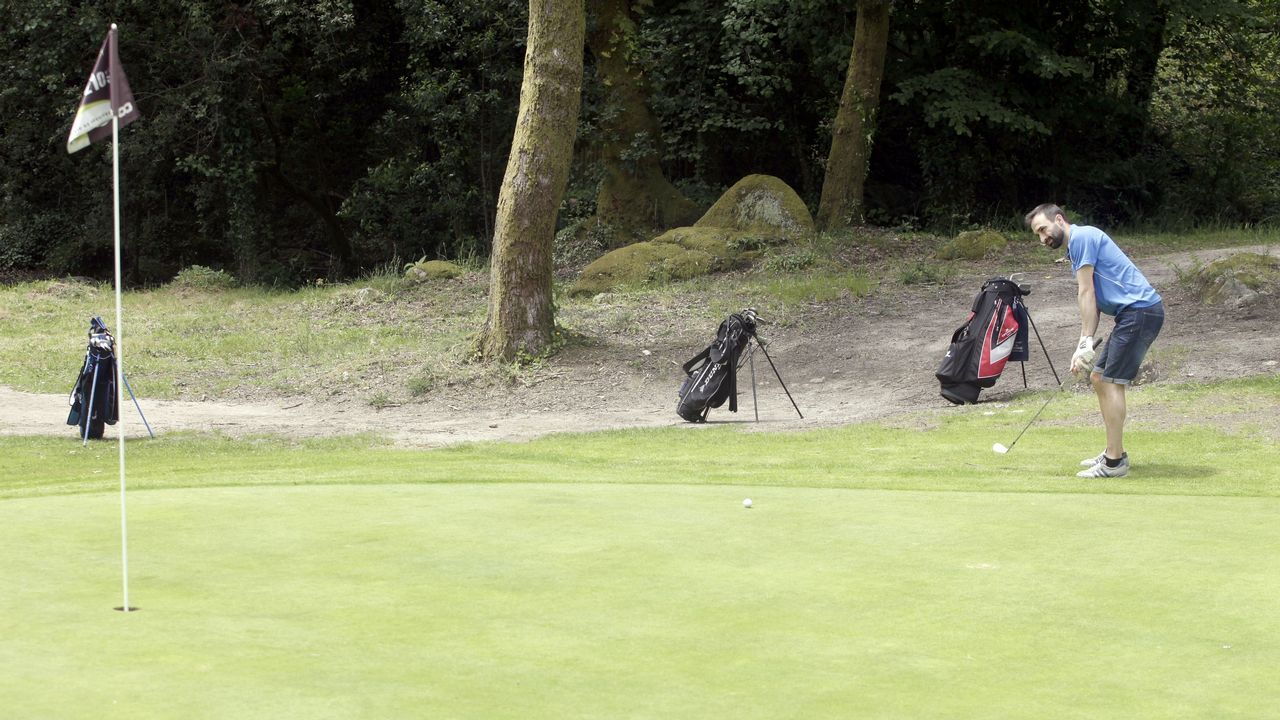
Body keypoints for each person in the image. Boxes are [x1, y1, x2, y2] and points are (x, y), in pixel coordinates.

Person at [1025, 204, 1165, 478]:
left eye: (1043, 229)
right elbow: (1095, 301)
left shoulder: (1082, 238)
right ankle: (1114, 452)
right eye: (1037, 235)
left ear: (1059, 219)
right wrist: (1083, 346)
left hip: (1140, 311)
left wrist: (1086, 340)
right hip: (1134, 314)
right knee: (1101, 379)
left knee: (1107, 380)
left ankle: (1114, 463)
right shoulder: (1076, 246)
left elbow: (1086, 292)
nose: (1042, 238)